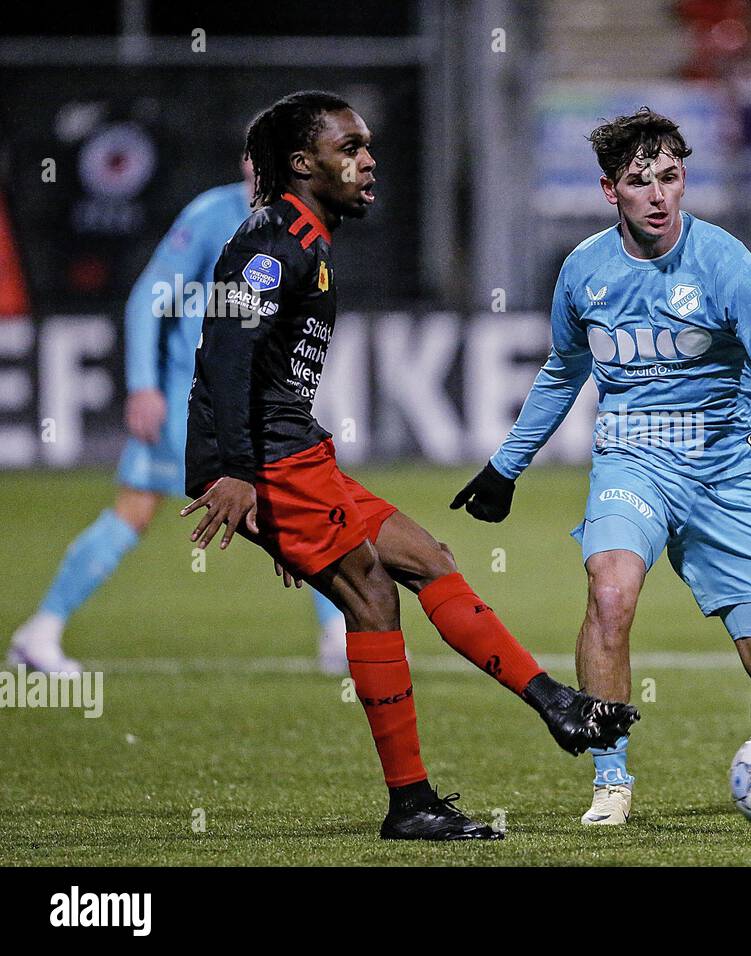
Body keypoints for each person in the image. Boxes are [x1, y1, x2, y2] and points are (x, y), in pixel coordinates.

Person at [182, 90, 637, 841]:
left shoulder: (303, 235)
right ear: (303, 165)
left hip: (292, 451)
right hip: (267, 458)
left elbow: (259, 368)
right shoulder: (270, 247)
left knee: (427, 557)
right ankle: (412, 803)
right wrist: (239, 473)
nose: (368, 163)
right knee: (373, 597)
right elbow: (224, 351)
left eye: (367, 148)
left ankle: (555, 703)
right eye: (350, 150)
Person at [452, 108, 751, 826]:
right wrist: (504, 467)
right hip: (631, 466)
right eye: (640, 181)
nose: (658, 195)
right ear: (610, 189)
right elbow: (563, 371)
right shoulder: (584, 269)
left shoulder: (725, 263)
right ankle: (610, 780)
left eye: (671, 177)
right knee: (610, 594)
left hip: (728, 477)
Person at [7, 158, 348, 675]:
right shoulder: (213, 214)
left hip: (255, 399)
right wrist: (144, 384)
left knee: (306, 502)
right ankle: (42, 630)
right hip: (192, 398)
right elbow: (149, 297)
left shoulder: (296, 222)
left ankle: (336, 636)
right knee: (139, 510)